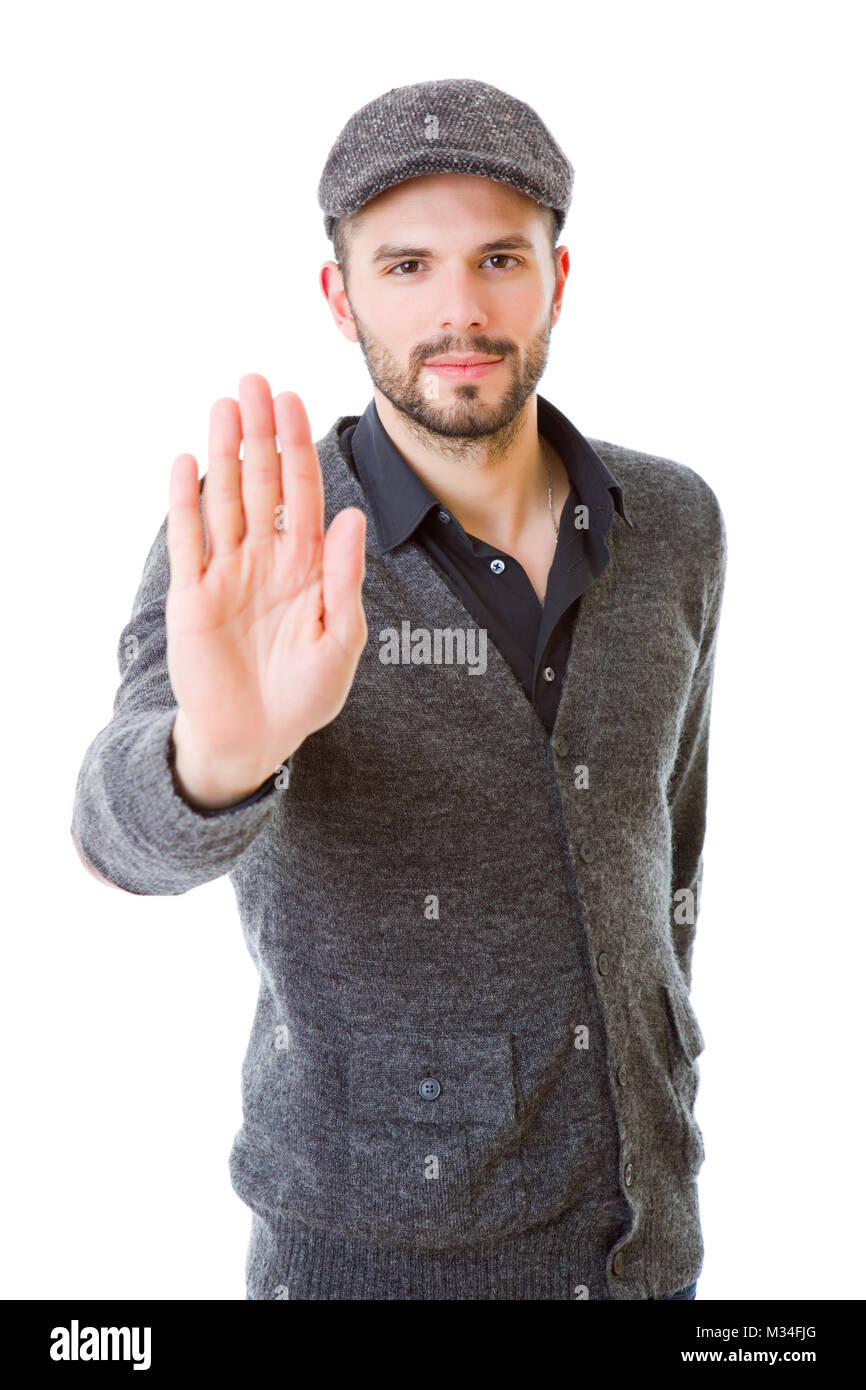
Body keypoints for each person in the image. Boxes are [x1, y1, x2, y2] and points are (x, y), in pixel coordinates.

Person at [71, 78, 727, 1300]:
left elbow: (668, 848)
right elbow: (115, 833)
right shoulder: (256, 535)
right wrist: (217, 758)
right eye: (407, 266)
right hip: (368, 1263)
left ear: (557, 278)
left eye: (497, 259)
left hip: (648, 1246)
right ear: (341, 295)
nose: (459, 311)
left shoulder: (674, 523)